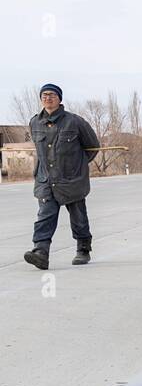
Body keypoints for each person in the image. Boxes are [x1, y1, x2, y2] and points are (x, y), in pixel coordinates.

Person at [23, 83, 99, 270]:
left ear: (59, 99)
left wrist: (76, 166)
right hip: (46, 180)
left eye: (52, 95)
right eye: (44, 95)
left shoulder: (75, 122)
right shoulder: (35, 123)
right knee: (45, 216)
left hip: (71, 179)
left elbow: (92, 147)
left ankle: (83, 249)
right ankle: (41, 252)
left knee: (78, 217)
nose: (48, 98)